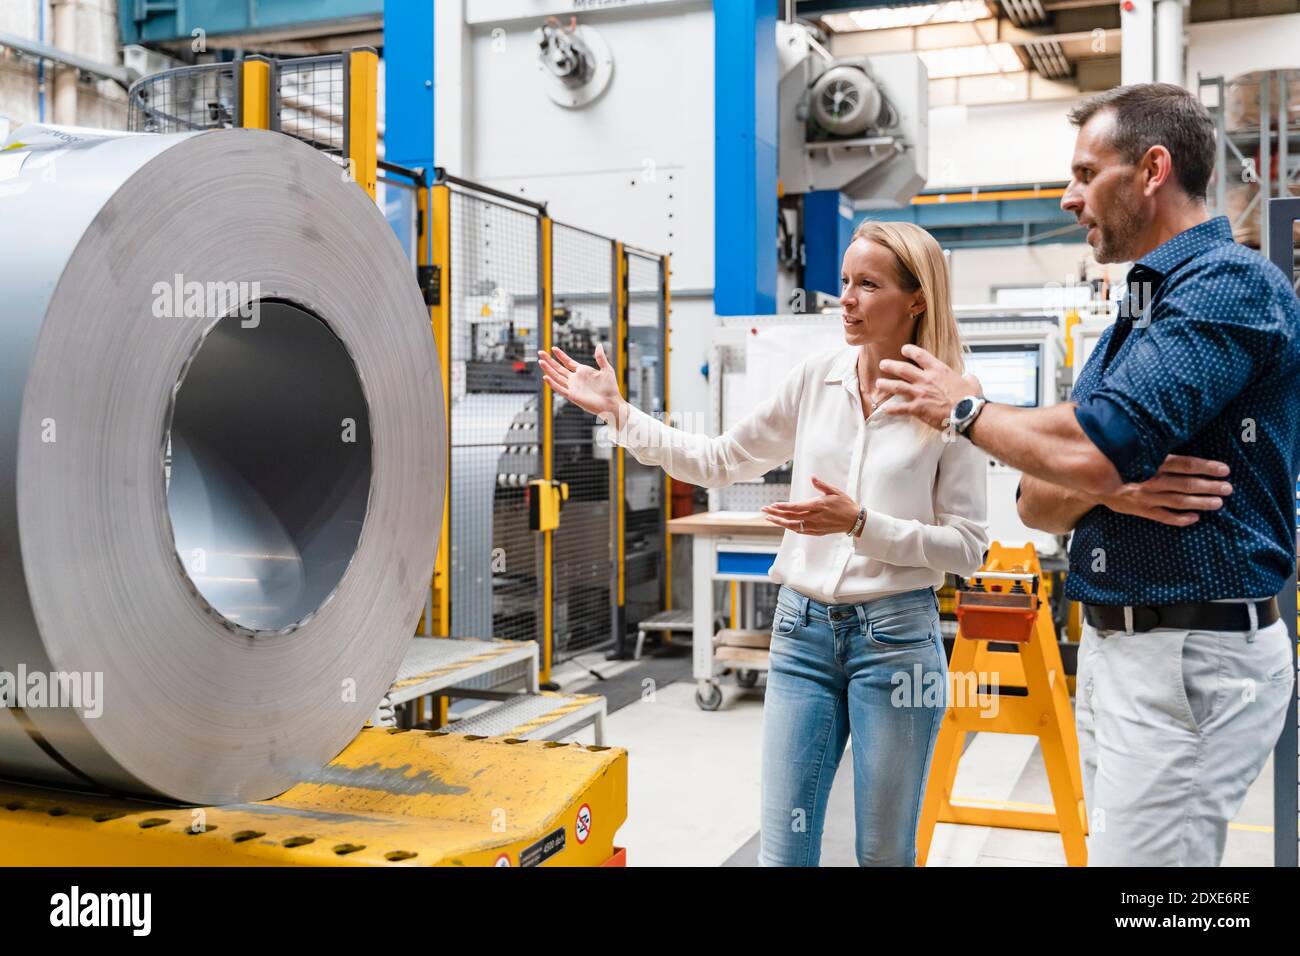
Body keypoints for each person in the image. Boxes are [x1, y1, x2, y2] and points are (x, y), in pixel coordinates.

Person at [876, 83, 1300, 866]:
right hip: (1120, 653)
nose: (1069, 199)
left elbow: (1092, 448)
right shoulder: (1134, 319)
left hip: (1192, 658)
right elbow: (1038, 500)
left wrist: (967, 412)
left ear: (1151, 170)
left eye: (1083, 173)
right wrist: (1117, 479)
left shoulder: (1229, 286)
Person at [538, 220, 988, 866]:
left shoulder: (954, 401)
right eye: (845, 283)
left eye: (868, 285)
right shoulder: (816, 378)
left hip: (896, 642)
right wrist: (620, 415)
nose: (848, 301)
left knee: (884, 855)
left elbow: (968, 547)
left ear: (916, 300)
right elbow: (720, 459)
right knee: (784, 852)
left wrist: (862, 524)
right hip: (801, 633)